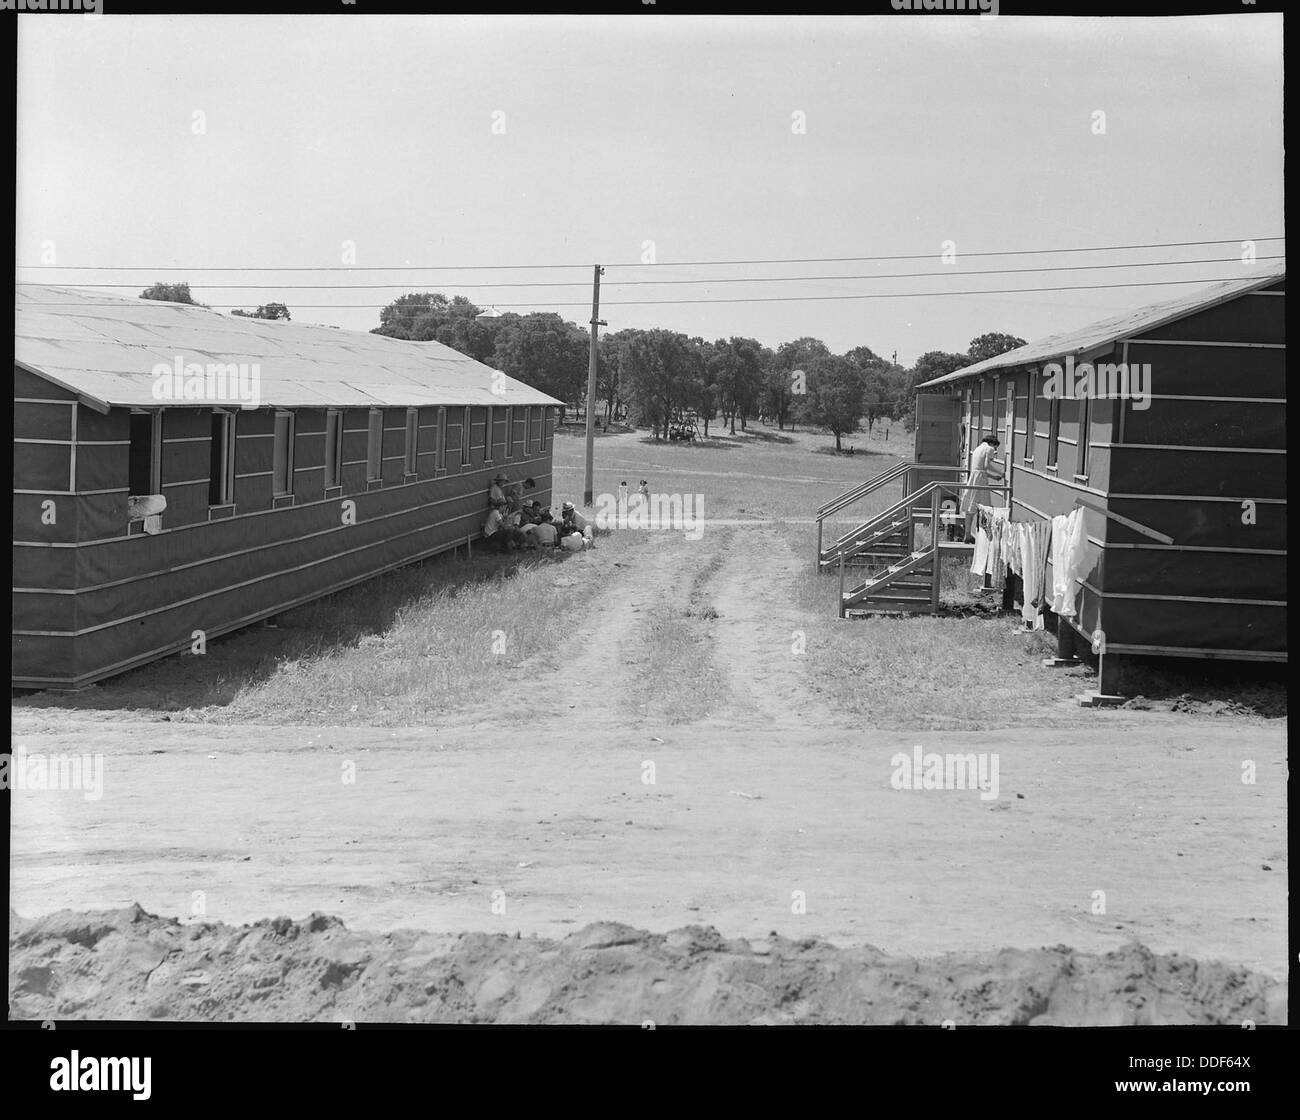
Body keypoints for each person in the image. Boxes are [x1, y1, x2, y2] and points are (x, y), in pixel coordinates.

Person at [961, 436, 1004, 542]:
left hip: (973, 478)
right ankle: (984, 536)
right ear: (992, 444)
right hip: (981, 480)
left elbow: (980, 469)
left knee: (970, 508)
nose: (995, 450)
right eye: (995, 447)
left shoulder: (977, 449)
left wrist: (994, 477)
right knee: (985, 507)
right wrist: (1000, 472)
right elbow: (986, 465)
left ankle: (967, 534)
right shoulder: (989, 449)